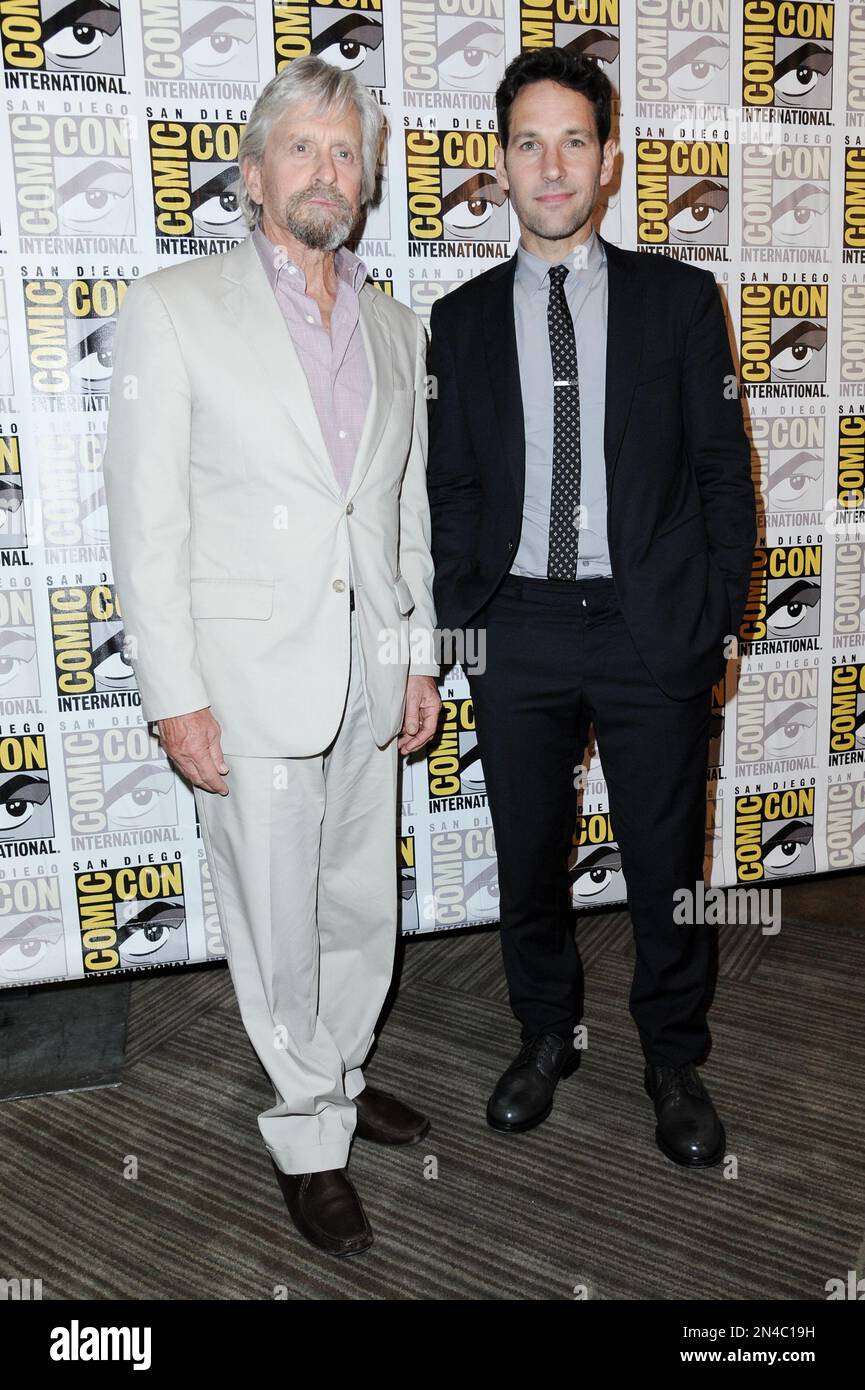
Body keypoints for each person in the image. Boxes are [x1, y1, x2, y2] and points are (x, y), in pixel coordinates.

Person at [103, 55, 442, 1255]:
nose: (327, 170)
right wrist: (175, 693)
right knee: (277, 917)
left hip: (365, 664)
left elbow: (400, 514)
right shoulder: (175, 308)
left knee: (358, 902)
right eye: (301, 148)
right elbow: (147, 523)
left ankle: (337, 1075)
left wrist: (415, 657)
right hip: (249, 676)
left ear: (369, 178)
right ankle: (306, 1128)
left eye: (346, 151)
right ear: (253, 178)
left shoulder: (401, 328)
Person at [426, 47, 756, 1167]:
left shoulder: (677, 299)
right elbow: (454, 483)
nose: (551, 164)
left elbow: (724, 471)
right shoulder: (459, 319)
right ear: (499, 163)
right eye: (528, 142)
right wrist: (464, 605)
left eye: (574, 140)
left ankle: (673, 1055)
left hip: (646, 621)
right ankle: (541, 1034)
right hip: (514, 624)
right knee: (528, 851)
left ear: (609, 160)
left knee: (668, 858)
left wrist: (717, 615)